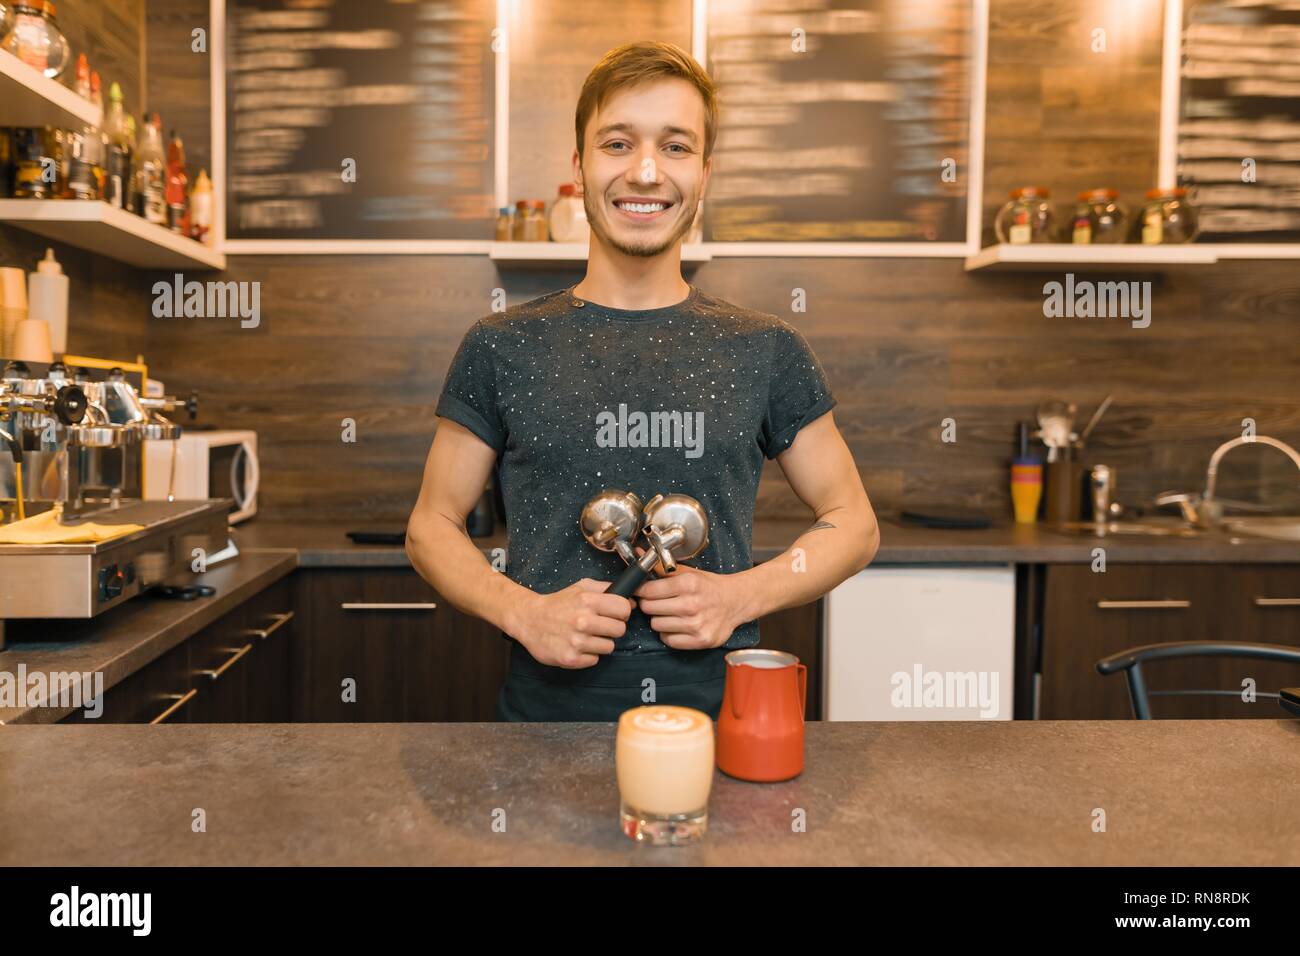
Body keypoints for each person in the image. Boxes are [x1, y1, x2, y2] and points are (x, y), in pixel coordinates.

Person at [406, 41, 879, 721]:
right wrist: (521, 610)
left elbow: (854, 524)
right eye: (619, 143)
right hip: (543, 730)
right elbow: (431, 525)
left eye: (676, 147)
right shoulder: (500, 345)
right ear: (580, 165)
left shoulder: (767, 348)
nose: (647, 171)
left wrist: (739, 595)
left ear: (705, 174)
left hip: (718, 725)